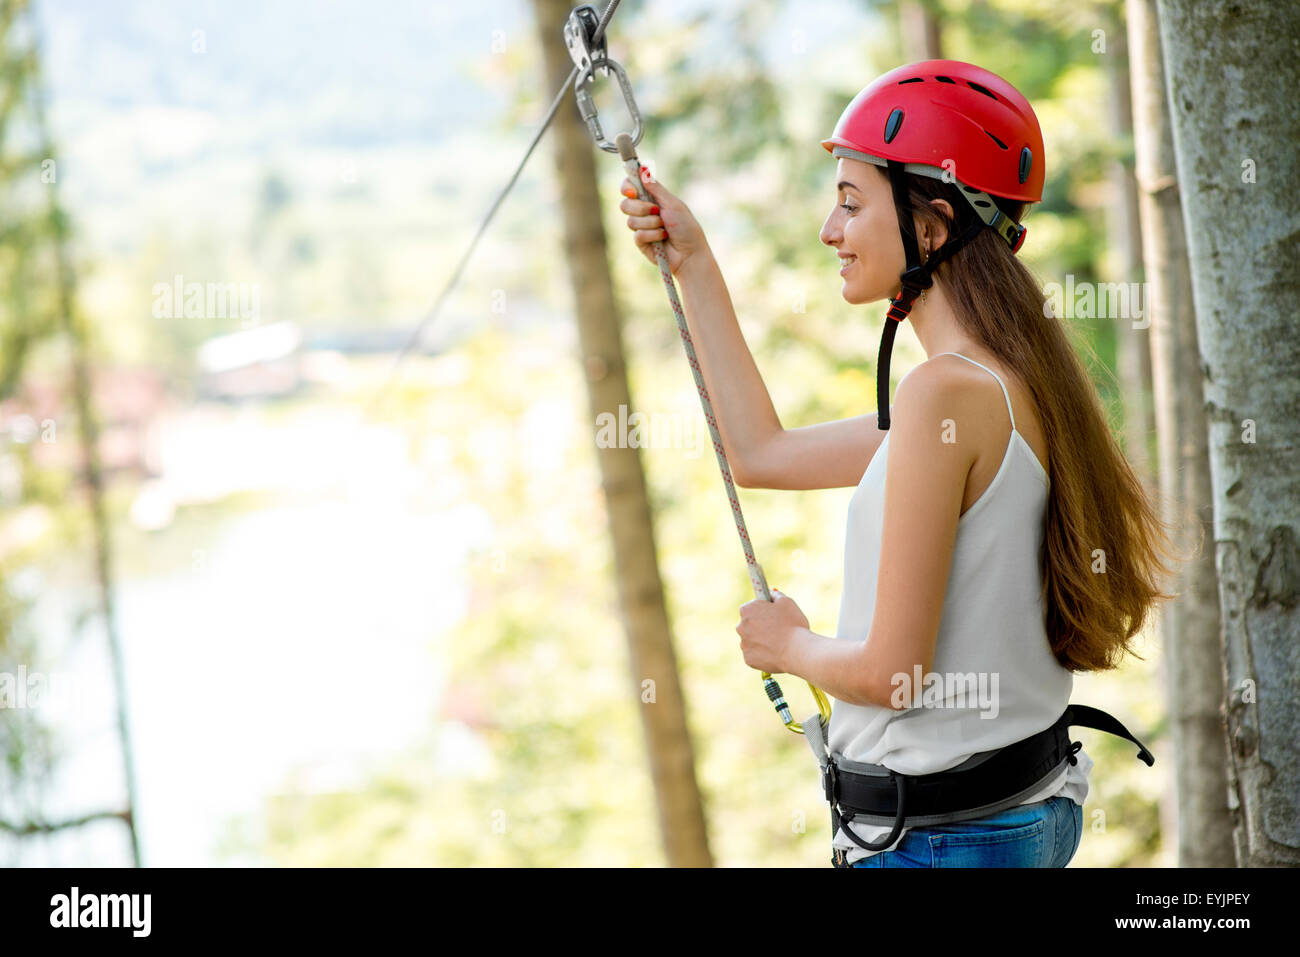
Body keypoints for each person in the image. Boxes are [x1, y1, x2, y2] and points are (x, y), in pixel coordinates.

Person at [618, 59, 1176, 867]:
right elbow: (760, 454)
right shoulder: (1009, 383)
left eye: (850, 201)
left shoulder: (945, 395)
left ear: (933, 224)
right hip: (1015, 811)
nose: (829, 230)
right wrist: (693, 262)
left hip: (943, 841)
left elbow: (894, 676)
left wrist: (789, 644)